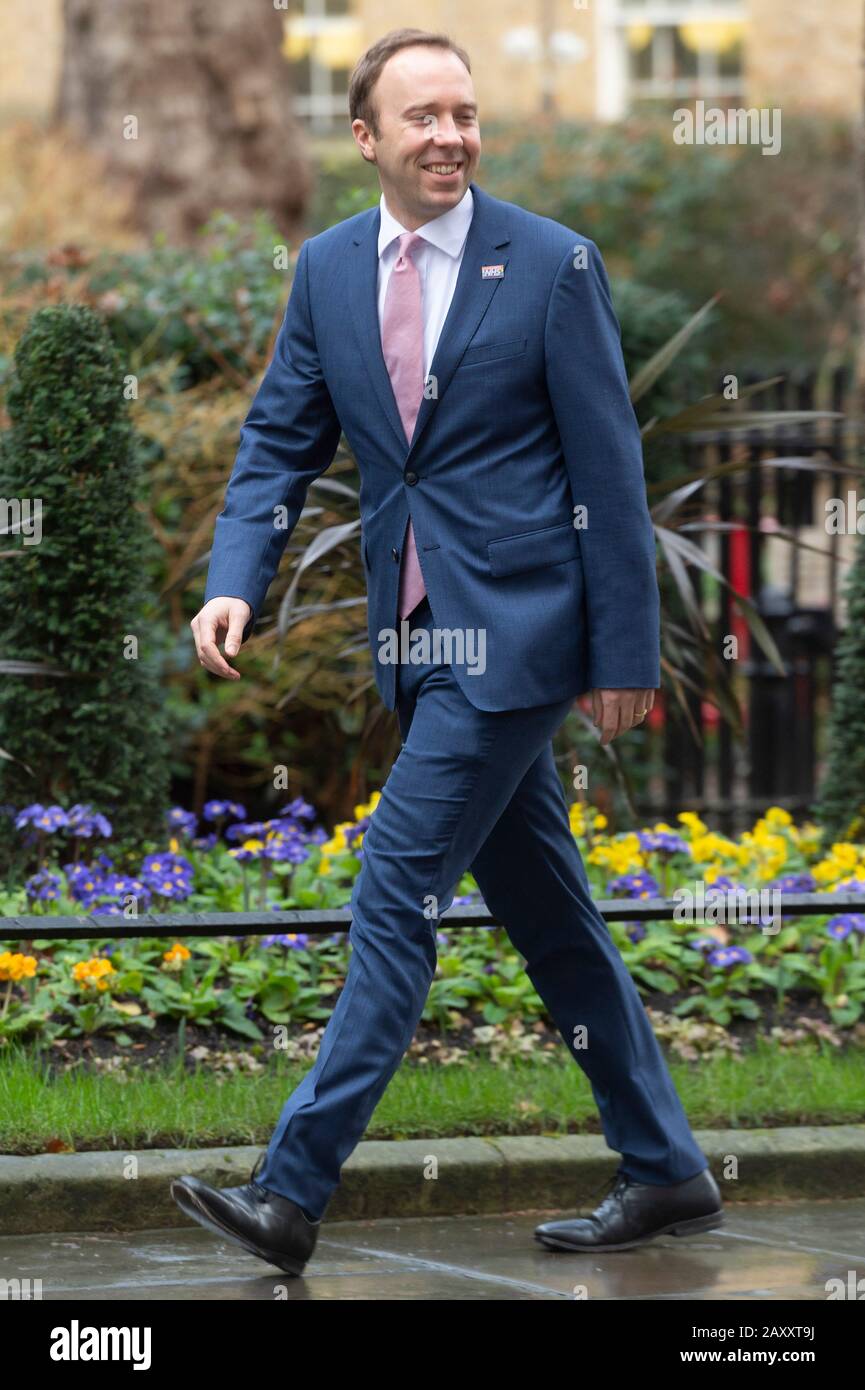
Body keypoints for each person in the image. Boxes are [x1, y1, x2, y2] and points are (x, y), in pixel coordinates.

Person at [173, 27, 722, 1275]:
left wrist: (624, 652)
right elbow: (278, 438)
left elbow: (607, 466)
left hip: (516, 641)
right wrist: (233, 582)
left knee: (393, 890)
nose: (449, 136)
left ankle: (289, 1191)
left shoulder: (550, 263)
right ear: (364, 137)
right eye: (420, 116)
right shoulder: (324, 271)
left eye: (463, 113)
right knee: (552, 917)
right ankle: (668, 1168)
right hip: (415, 642)